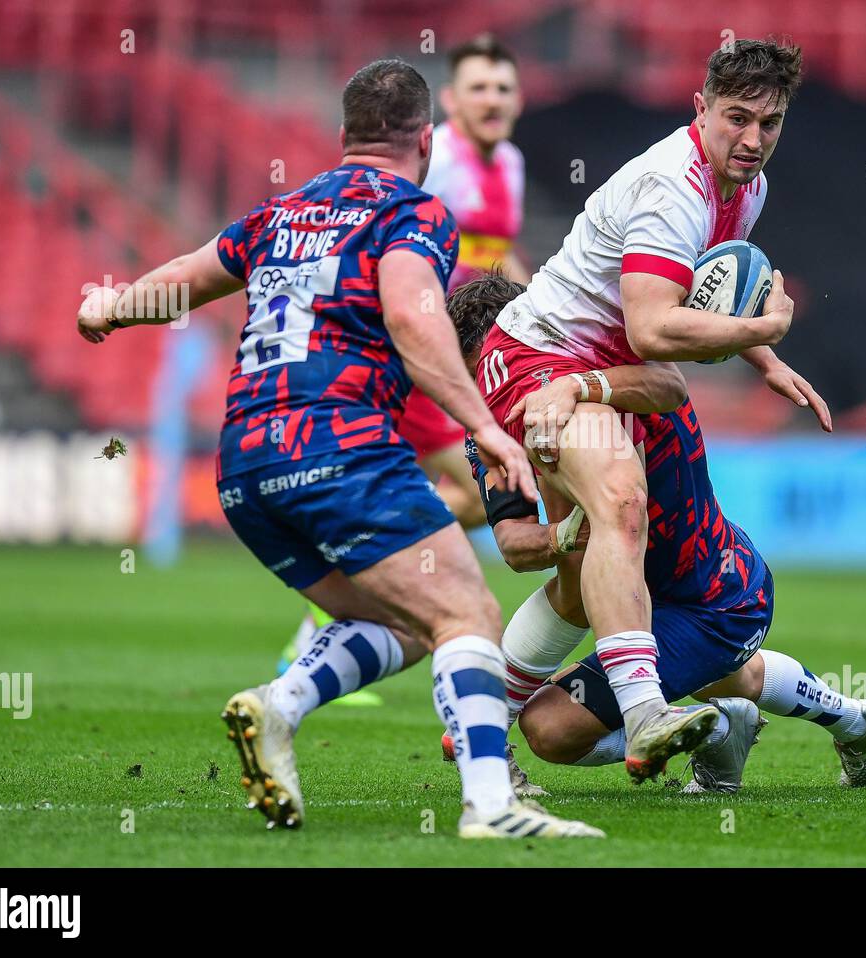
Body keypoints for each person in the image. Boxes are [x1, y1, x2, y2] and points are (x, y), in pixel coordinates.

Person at [76, 59, 600, 840]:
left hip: (245, 463)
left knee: (403, 624)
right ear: (425, 138)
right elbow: (414, 318)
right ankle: (492, 806)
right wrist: (487, 430)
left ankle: (279, 706)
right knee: (467, 614)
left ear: (344, 136)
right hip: (338, 440)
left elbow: (185, 279)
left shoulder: (279, 213)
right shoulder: (413, 211)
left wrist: (113, 304)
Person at [474, 38, 832, 782]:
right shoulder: (674, 187)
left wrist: (764, 359)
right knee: (621, 502)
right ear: (699, 108)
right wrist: (762, 330)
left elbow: (707, 293)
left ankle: (477, 725)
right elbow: (651, 329)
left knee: (578, 569)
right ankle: (643, 711)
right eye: (737, 119)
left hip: (592, 366)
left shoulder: (746, 187)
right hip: (539, 357)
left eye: (771, 124)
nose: (754, 139)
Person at [449, 274, 866, 795]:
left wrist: (490, 710)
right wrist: (559, 536)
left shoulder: (609, 384)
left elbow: (669, 372)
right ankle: (856, 722)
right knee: (729, 677)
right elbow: (514, 543)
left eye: (487, 375)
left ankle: (713, 733)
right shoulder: (494, 424)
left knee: (550, 729)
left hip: (716, 600)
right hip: (652, 603)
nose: (486, 400)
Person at [276, 35, 531, 681]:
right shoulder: (432, 160)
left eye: (502, 88)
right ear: (447, 103)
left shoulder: (512, 165)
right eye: (478, 88)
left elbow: (496, 252)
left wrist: (532, 310)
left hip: (453, 358)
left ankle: (338, 618)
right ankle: (349, 610)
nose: (492, 99)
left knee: (452, 495)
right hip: (413, 358)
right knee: (478, 488)